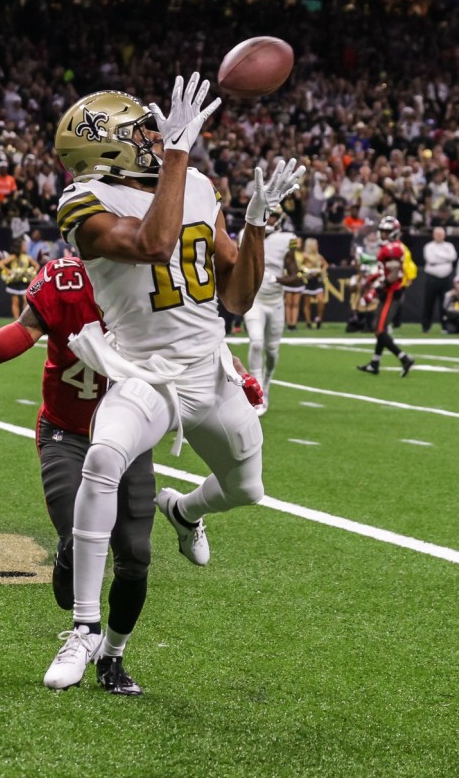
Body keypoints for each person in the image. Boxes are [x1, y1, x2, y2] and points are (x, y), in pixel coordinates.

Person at [43, 74, 303, 690]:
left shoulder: (195, 185)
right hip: (147, 373)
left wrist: (257, 224)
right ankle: (81, 632)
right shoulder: (80, 204)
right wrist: (180, 158)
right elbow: (155, 244)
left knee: (248, 488)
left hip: (209, 368)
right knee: (103, 457)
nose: (154, 137)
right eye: (137, 133)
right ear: (102, 149)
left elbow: (236, 296)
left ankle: (184, 512)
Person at [0, 258, 157, 694]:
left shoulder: (153, 281)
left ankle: (112, 659)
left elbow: (197, 340)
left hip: (130, 436)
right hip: (67, 433)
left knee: (135, 555)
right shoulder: (66, 280)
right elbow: (8, 339)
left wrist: (235, 377)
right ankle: (74, 584)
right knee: (80, 540)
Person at [243, 218, 299, 416]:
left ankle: (265, 386)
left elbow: (296, 275)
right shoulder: (245, 234)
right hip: (255, 300)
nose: (269, 219)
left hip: (275, 302)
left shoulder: (287, 239)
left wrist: (277, 278)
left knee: (272, 351)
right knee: (256, 342)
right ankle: (257, 395)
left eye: (273, 215)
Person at [356, 216, 416, 376]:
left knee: (380, 329)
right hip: (389, 291)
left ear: (394, 232)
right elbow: (385, 271)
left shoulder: (394, 248)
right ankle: (375, 363)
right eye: (382, 231)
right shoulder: (389, 247)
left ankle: (404, 358)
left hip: (392, 292)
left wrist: (375, 290)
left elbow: (393, 275)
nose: (383, 234)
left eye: (386, 231)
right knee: (378, 327)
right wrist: (372, 279)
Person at [420, 227, 457, 333]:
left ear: (444, 235)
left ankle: (446, 326)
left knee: (445, 303)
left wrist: (438, 257)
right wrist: (445, 258)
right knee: (429, 303)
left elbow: (453, 257)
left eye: (441, 234)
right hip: (432, 277)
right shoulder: (429, 246)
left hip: (446, 277)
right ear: (433, 235)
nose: (439, 236)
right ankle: (426, 327)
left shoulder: (449, 246)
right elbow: (431, 259)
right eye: (437, 234)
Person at [0, 236, 40, 319]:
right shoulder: (13, 256)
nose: (25, 247)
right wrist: (8, 271)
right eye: (24, 245)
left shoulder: (27, 257)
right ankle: (16, 320)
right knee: (15, 301)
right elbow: (0, 264)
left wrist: (31, 272)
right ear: (19, 246)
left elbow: (37, 265)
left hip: (24, 281)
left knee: (26, 300)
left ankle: (23, 319)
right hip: (14, 281)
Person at [300, 238, 328, 329]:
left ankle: (319, 318)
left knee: (321, 300)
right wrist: (306, 271)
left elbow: (325, 265)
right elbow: (300, 266)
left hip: (317, 280)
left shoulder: (319, 256)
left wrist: (321, 271)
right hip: (308, 280)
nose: (317, 246)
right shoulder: (304, 255)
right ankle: (308, 322)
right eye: (316, 245)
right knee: (307, 303)